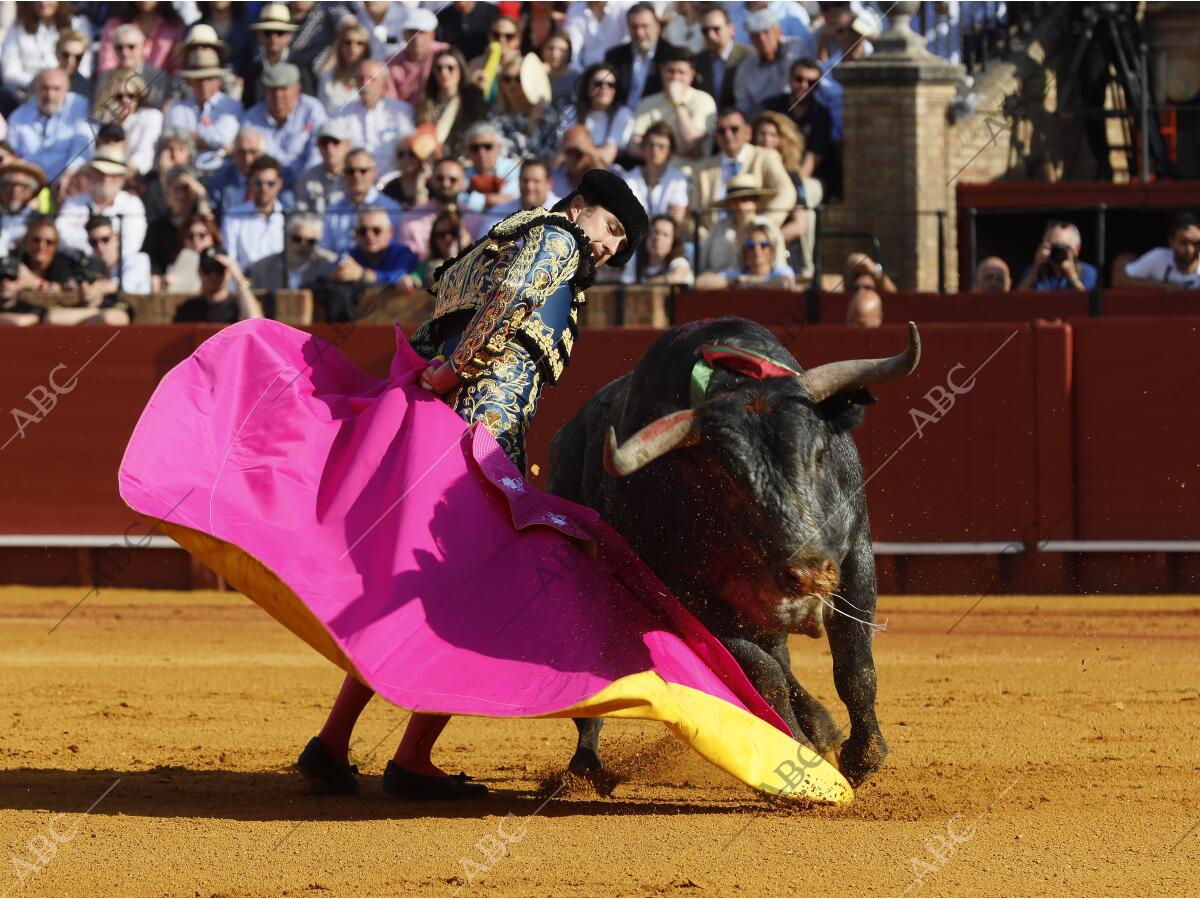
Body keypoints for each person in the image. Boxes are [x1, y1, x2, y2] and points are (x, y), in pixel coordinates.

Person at [299, 169, 648, 800]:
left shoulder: (495, 241)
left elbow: (438, 326)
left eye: (619, 248)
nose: (607, 248)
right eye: (611, 228)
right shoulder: (557, 240)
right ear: (580, 207)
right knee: (474, 598)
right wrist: (455, 370)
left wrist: (439, 376)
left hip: (445, 428)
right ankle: (409, 759)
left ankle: (332, 743)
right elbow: (513, 299)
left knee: (414, 593)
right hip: (482, 436)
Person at [692, 107, 796, 231]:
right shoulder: (702, 169)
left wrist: (761, 227)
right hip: (716, 239)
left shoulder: (765, 157)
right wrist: (708, 242)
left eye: (734, 129)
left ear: (748, 133)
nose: (728, 135)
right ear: (716, 137)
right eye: (721, 131)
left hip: (755, 242)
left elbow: (787, 192)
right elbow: (694, 216)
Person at [752, 110, 819, 280]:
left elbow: (800, 224)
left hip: (783, 254)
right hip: (748, 254)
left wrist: (767, 241)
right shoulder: (747, 170)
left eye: (773, 135)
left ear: (783, 140)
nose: (767, 140)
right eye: (762, 134)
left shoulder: (792, 176)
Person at [45, 214, 146, 325]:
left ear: (116, 237)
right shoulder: (90, 262)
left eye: (105, 239)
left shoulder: (136, 260)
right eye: (93, 242)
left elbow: (125, 289)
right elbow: (52, 317)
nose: (100, 246)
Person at [320, 207, 419, 320]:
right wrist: (335, 275)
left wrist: (363, 275)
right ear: (356, 234)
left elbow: (397, 277)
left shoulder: (404, 254)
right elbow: (327, 274)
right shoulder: (350, 255)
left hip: (399, 318)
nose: (369, 235)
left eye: (376, 230)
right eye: (363, 231)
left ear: (390, 232)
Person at [7, 69, 91, 196]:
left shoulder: (79, 106)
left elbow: (83, 145)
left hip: (67, 182)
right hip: (29, 184)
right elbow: (11, 155)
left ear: (66, 89)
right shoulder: (19, 116)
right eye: (44, 88)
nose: (50, 94)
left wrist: (69, 175)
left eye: (56, 89)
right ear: (35, 89)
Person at [244, 62, 327, 188]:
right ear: (265, 91)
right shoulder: (251, 117)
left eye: (284, 88)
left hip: (306, 182)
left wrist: (304, 182)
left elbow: (317, 153)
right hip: (265, 186)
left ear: (297, 89)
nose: (278, 95)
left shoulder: (312, 109)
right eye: (273, 89)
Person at [56, 147, 146, 261]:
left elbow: (131, 245)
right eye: (100, 173)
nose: (106, 178)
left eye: (113, 174)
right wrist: (107, 241)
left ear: (122, 178)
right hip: (75, 265)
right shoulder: (74, 202)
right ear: (91, 174)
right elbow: (60, 236)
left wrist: (82, 237)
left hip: (116, 270)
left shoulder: (132, 204)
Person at [1, 2, 94, 113]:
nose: (43, 2)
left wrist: (58, 86)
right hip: (26, 93)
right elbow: (9, 73)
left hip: (71, 89)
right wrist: (39, 84)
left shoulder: (78, 24)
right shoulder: (18, 26)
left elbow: (85, 69)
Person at [164, 42, 242, 173]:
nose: (204, 84)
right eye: (199, 79)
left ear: (218, 79)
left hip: (221, 171)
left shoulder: (231, 105)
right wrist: (217, 146)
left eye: (209, 78)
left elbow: (224, 137)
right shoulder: (178, 108)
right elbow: (173, 141)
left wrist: (190, 139)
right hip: (185, 171)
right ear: (189, 81)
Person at [629, 44, 715, 162]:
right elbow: (634, 146)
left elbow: (691, 142)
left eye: (681, 72)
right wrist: (675, 153)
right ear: (661, 71)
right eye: (671, 71)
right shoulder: (648, 103)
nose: (675, 77)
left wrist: (677, 102)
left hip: (692, 173)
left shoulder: (703, 100)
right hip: (655, 173)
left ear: (691, 74)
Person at [333, 60, 415, 180]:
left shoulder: (402, 112)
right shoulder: (341, 113)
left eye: (372, 79)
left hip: (393, 183)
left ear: (384, 84)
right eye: (361, 79)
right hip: (353, 182)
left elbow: (409, 151)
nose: (365, 84)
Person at [763, 57, 835, 186]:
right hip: (769, 173)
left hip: (807, 179)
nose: (804, 85)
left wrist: (792, 185)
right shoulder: (771, 107)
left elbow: (812, 158)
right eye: (798, 79)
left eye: (811, 82)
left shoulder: (821, 115)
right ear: (789, 79)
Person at [322, 148, 404, 256]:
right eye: (350, 171)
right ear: (344, 174)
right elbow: (326, 251)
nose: (357, 176)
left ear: (374, 172)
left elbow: (396, 251)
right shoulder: (333, 211)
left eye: (363, 170)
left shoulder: (392, 209)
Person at [733, 7, 809, 119]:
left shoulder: (796, 48)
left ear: (779, 31)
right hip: (763, 120)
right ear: (750, 39)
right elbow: (743, 105)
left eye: (766, 32)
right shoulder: (746, 68)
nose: (762, 39)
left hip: (798, 114)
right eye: (756, 35)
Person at [415, 48, 487, 161]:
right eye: (439, 68)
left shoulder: (473, 101)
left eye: (450, 68)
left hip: (465, 162)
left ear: (461, 70)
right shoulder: (425, 104)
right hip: (432, 163)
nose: (444, 73)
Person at [604, 2, 678, 111]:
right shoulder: (615, 56)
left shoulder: (672, 56)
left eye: (645, 26)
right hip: (621, 115)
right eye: (634, 27)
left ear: (657, 27)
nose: (639, 33)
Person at [221, 155, 290, 271]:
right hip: (243, 283)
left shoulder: (289, 218)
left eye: (270, 183)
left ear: (279, 184)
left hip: (279, 285)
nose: (264, 188)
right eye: (258, 183)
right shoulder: (233, 216)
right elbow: (229, 258)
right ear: (250, 182)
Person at [241, 3, 315, 111]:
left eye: (279, 32)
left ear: (289, 35)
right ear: (260, 35)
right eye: (268, 32)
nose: (273, 37)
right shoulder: (252, 69)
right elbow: (248, 105)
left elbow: (308, 104)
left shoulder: (302, 67)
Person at [90, 68, 163, 176]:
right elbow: (93, 155)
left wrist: (120, 176)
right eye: (118, 97)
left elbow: (144, 157)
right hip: (104, 175)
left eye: (131, 96)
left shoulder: (151, 116)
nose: (125, 101)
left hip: (139, 178)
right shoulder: (102, 120)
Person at [144, 165, 213, 276]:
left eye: (186, 189)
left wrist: (201, 196)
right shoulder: (157, 227)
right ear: (166, 193)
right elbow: (153, 264)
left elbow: (212, 233)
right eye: (177, 189)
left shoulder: (199, 222)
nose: (181, 195)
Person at [697, 172, 772, 274]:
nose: (740, 205)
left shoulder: (768, 228)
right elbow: (701, 265)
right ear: (729, 204)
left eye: (745, 199)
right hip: (716, 286)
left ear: (756, 201)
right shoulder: (718, 229)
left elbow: (778, 268)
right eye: (735, 201)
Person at [695, 215, 795, 290]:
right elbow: (700, 283)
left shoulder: (780, 271)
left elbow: (786, 283)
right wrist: (734, 281)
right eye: (751, 245)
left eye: (763, 245)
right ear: (745, 251)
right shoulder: (739, 273)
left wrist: (753, 283)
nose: (757, 250)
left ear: (771, 249)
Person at [172, 246, 264, 323]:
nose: (213, 275)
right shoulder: (188, 309)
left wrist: (239, 278)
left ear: (229, 272)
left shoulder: (239, 306)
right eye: (207, 270)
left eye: (219, 270)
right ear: (199, 272)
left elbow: (255, 322)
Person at [249, 212, 336, 291]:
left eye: (311, 241)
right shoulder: (262, 268)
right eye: (297, 239)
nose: (303, 246)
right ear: (286, 236)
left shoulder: (328, 266)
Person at [623, 122, 689, 226]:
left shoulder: (678, 178)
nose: (655, 150)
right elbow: (625, 217)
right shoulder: (629, 179)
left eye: (661, 146)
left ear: (670, 151)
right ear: (643, 148)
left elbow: (677, 219)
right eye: (651, 145)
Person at [570, 62, 634, 168]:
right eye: (598, 84)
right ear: (587, 87)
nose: (604, 88)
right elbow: (564, 150)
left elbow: (607, 157)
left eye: (611, 85)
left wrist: (583, 147)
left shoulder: (623, 114)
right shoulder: (573, 110)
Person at [1114, 212, 1200, 290]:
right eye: (1183, 243)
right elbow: (1119, 280)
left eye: (1195, 243)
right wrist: (1159, 286)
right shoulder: (1159, 258)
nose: (1190, 249)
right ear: (1171, 242)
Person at [96, 2, 185, 76]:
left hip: (161, 91)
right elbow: (106, 69)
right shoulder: (114, 26)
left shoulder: (175, 27)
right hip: (122, 90)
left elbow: (176, 70)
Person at [387, 7, 448, 108]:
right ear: (404, 34)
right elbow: (391, 104)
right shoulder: (391, 63)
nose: (417, 38)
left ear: (432, 34)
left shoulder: (445, 53)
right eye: (412, 31)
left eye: (422, 32)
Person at [98, 23, 168, 110]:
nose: (125, 52)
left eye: (131, 47)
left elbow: (158, 110)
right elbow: (99, 112)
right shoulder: (106, 78)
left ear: (143, 46)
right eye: (119, 47)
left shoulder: (157, 77)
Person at [694, 6, 752, 109]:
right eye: (705, 31)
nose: (710, 35)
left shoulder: (748, 57)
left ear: (731, 29)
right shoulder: (698, 61)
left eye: (716, 29)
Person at [1015, 221, 1098, 292]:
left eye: (1061, 248)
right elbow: (1016, 302)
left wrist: (1073, 278)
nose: (1056, 253)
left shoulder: (1088, 273)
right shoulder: (1033, 272)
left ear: (1076, 249)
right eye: (1051, 247)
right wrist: (1036, 269)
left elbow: (1090, 305)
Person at [205, 126, 268, 218]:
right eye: (241, 152)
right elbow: (214, 216)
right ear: (234, 153)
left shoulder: (274, 177)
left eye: (253, 152)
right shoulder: (219, 179)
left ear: (263, 154)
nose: (248, 159)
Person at [317, 19, 372, 115]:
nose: (352, 48)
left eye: (359, 43)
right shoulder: (327, 76)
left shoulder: (373, 77)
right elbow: (320, 112)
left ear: (366, 48)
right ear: (340, 46)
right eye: (347, 42)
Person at [461, 122, 520, 212]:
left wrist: (471, 200)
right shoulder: (463, 173)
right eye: (475, 148)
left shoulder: (513, 168)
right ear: (467, 150)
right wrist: (492, 200)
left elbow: (510, 200)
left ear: (498, 147)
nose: (481, 153)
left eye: (487, 146)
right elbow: (454, 196)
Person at [16, 216, 85, 290]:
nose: (41, 246)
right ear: (27, 241)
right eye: (36, 240)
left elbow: (57, 290)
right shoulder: (17, 261)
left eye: (49, 242)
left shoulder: (67, 265)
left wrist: (35, 282)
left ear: (56, 246)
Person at [296, 120, 350, 214]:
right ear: (318, 146)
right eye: (324, 143)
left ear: (347, 145)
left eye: (335, 142)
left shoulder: (357, 174)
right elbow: (302, 214)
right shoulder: (307, 177)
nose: (329, 148)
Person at [161, 213, 221, 293]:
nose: (196, 241)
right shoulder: (172, 268)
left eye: (202, 235)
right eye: (190, 236)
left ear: (212, 238)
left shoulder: (223, 266)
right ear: (184, 241)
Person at [564, 1, 630, 72]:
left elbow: (632, 43)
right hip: (586, 73)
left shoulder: (626, 6)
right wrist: (581, 75)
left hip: (620, 72)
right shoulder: (575, 10)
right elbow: (573, 51)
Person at [486, 158, 559, 220]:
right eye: (525, 180)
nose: (529, 186)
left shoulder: (564, 213)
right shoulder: (498, 213)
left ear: (549, 184)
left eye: (536, 181)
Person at [0, 160, 47, 255]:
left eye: (22, 186)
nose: (14, 191)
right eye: (8, 185)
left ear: (32, 192)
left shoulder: (42, 222)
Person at [414, 207, 470, 286]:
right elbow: (414, 278)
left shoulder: (477, 261)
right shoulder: (426, 265)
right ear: (434, 239)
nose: (448, 238)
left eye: (453, 232)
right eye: (442, 235)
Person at [634, 214, 693, 285]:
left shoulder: (678, 261)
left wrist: (647, 285)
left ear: (674, 242)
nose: (658, 238)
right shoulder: (635, 260)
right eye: (655, 232)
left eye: (665, 235)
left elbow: (678, 278)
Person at [0, 255, 47, 326]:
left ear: (18, 282)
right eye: (0, 277)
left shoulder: (31, 309)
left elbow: (24, 321)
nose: (5, 283)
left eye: (11, 278)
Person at [55, 29, 93, 100]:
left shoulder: (88, 87)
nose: (71, 61)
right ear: (56, 54)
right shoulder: (41, 83)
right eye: (66, 55)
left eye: (78, 57)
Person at [540, 33, 576, 104]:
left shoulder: (577, 80)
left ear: (569, 54)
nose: (555, 54)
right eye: (551, 48)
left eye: (561, 50)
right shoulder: (534, 76)